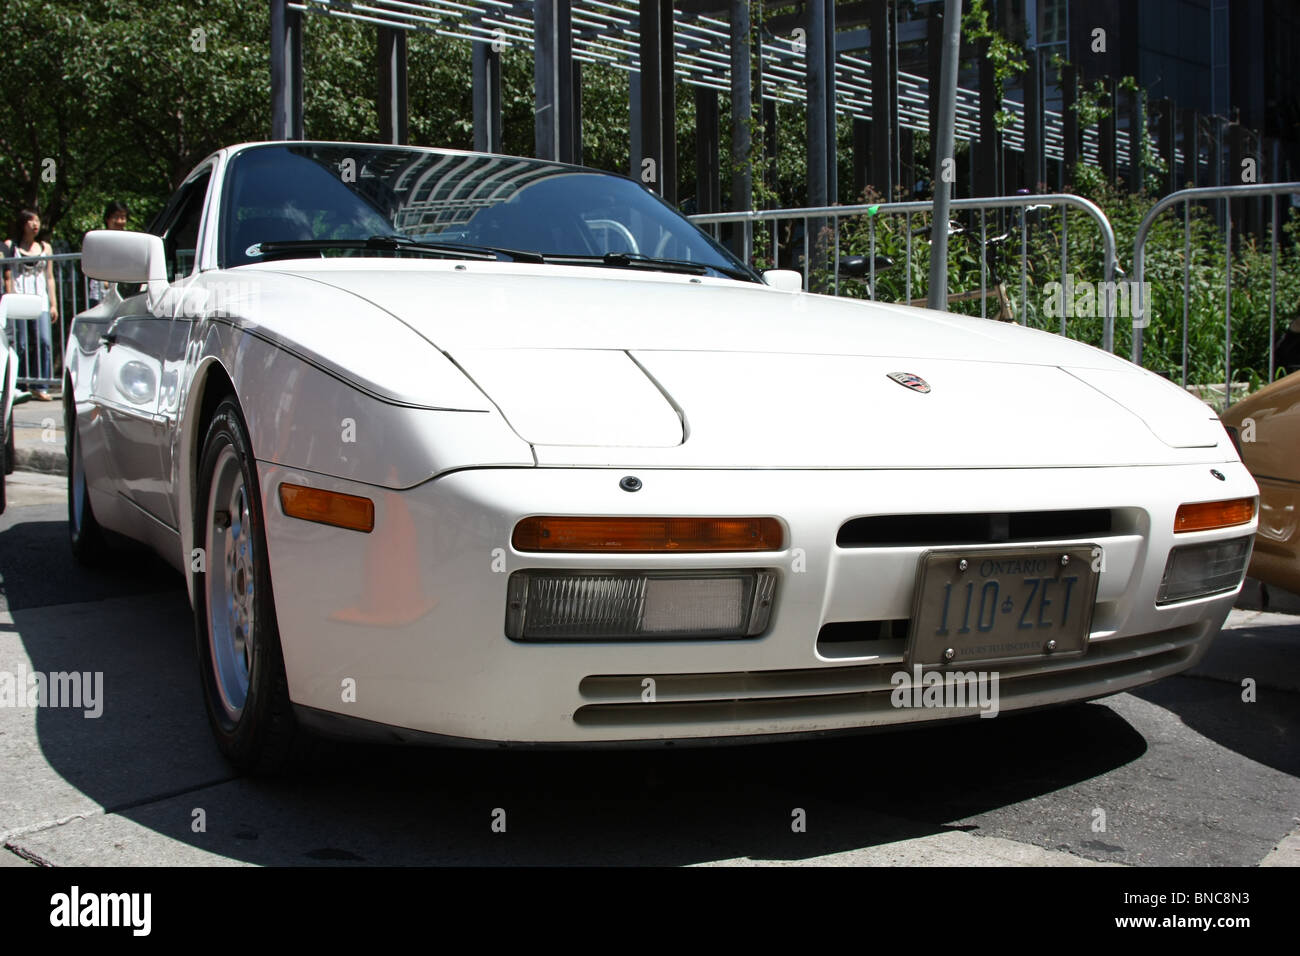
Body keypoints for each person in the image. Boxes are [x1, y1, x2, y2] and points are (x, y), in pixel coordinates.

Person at [3, 209, 58, 401]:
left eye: (37, 220)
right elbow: (8, 274)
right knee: (21, 344)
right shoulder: (12, 246)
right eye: (30, 221)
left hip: (40, 301)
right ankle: (18, 384)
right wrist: (10, 298)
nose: (35, 224)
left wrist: (54, 304)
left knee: (44, 341)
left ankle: (40, 385)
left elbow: (49, 277)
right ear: (22, 224)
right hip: (19, 300)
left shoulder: (46, 247)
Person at [86, 201, 129, 308]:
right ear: (107, 219)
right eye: (116, 217)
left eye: (123, 217)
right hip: (100, 294)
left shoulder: (128, 239)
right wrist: (105, 280)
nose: (120, 221)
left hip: (121, 294)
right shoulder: (99, 238)